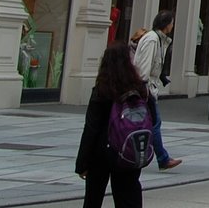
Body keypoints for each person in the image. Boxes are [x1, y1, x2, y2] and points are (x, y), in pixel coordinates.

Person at [77, 42, 153, 208]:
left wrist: (82, 163)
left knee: (93, 198)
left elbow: (91, 128)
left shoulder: (102, 90)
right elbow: (150, 120)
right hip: (128, 147)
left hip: (102, 151)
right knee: (129, 196)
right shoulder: (140, 89)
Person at [131, 11, 182, 170]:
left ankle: (156, 157)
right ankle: (162, 158)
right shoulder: (153, 40)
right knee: (154, 123)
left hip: (148, 87)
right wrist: (144, 88)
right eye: (172, 23)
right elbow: (144, 67)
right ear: (166, 25)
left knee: (146, 123)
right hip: (146, 88)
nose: (173, 26)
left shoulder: (158, 39)